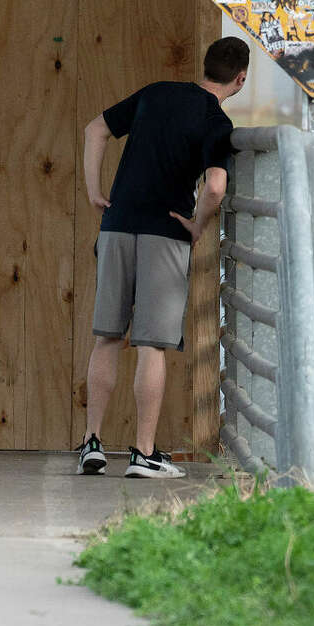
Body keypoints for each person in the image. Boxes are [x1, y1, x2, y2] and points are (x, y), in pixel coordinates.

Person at [76, 36, 249, 479]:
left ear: (205, 66)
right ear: (240, 79)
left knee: (108, 337)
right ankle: (144, 453)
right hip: (165, 234)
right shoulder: (216, 121)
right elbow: (214, 187)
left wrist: (96, 192)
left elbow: (95, 129)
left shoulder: (155, 93)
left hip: (116, 226)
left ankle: (91, 445)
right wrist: (198, 224)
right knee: (152, 344)